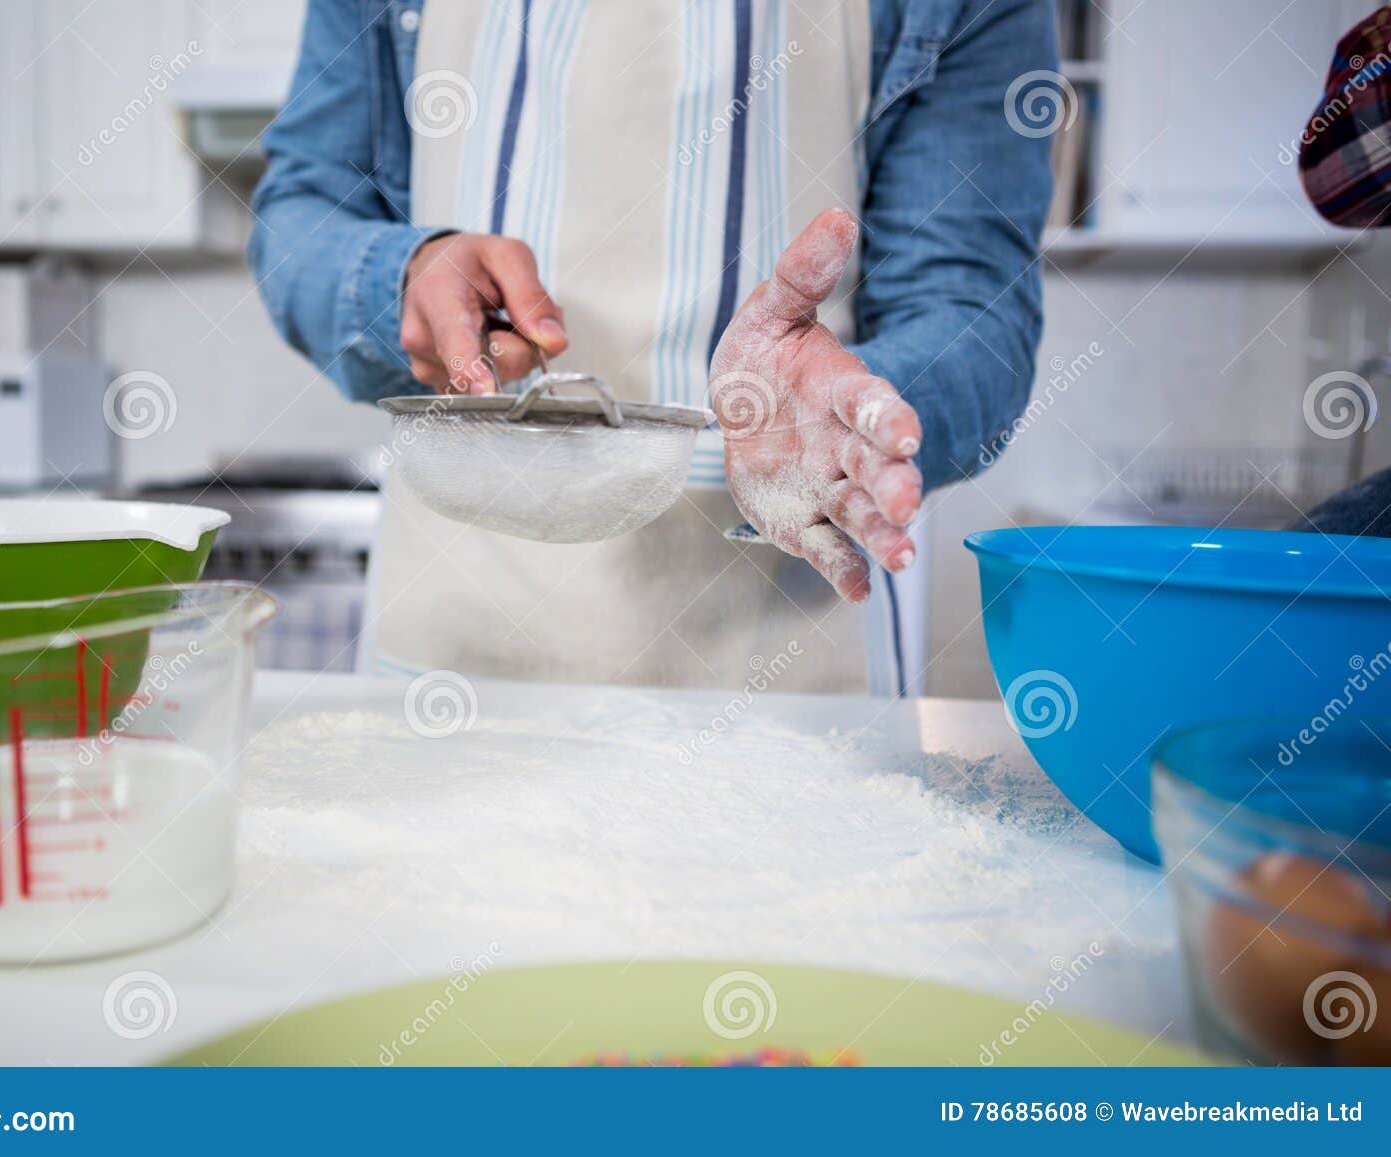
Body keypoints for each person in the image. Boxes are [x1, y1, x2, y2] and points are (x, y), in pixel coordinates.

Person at [252, 0, 1053, 692]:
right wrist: (403, 281)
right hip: (452, 673)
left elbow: (971, 308)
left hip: (782, 695)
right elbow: (304, 211)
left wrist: (843, 415)